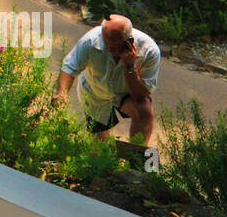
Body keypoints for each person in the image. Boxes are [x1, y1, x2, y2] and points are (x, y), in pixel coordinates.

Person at [55, 15, 160, 145]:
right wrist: (62, 93)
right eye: (106, 42)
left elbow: (141, 95)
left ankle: (135, 157)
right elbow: (69, 68)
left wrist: (129, 67)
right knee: (99, 148)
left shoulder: (149, 50)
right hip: (95, 93)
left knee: (144, 110)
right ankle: (107, 160)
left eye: (115, 45)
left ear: (129, 40)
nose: (109, 49)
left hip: (124, 94)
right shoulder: (90, 40)